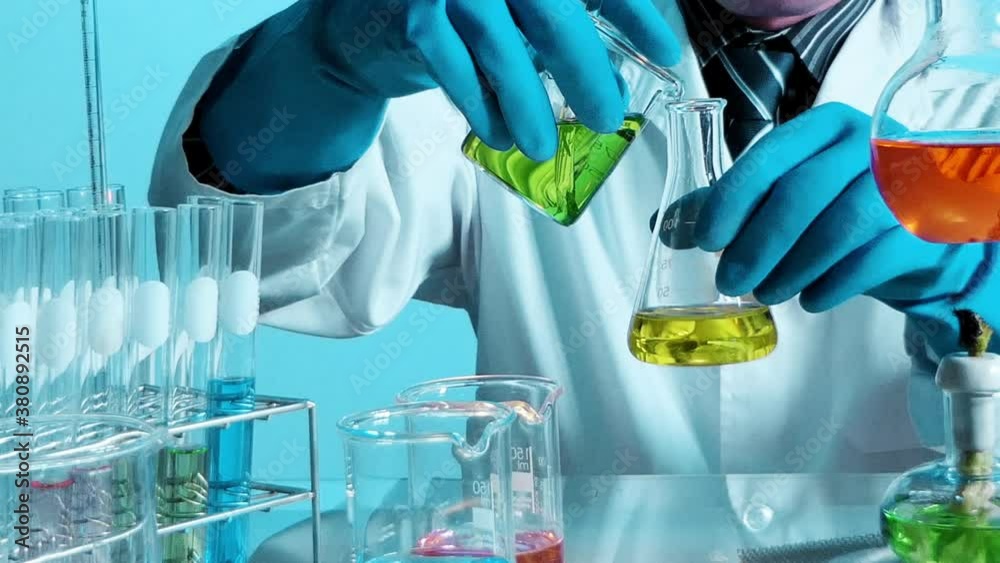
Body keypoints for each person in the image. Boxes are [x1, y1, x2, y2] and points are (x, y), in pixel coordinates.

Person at [150, 0, 999, 544]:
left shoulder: (980, 78)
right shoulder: (496, 29)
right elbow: (233, 259)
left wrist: (977, 279)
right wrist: (323, 55)